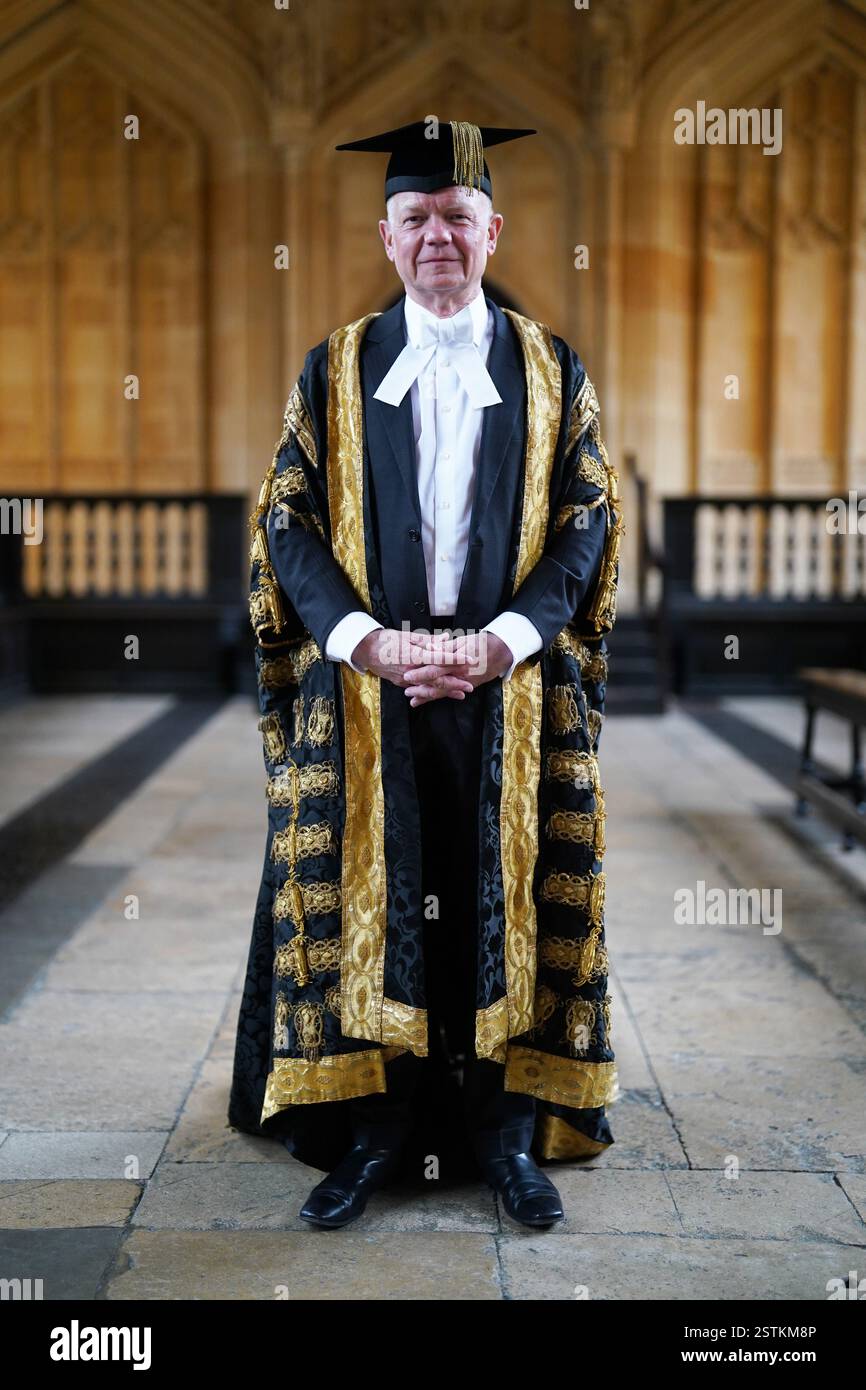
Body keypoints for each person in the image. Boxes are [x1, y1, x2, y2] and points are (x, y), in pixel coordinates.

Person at [228, 118, 624, 1231]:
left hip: (511, 687)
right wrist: (364, 640)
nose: (437, 236)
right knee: (379, 909)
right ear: (386, 237)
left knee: (498, 910)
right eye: (416, 219)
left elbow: (587, 524)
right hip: (369, 687)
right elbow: (286, 523)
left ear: (491, 231)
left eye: (456, 217)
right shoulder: (336, 365)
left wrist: (506, 638)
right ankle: (374, 1133)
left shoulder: (551, 370)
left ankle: (504, 1139)